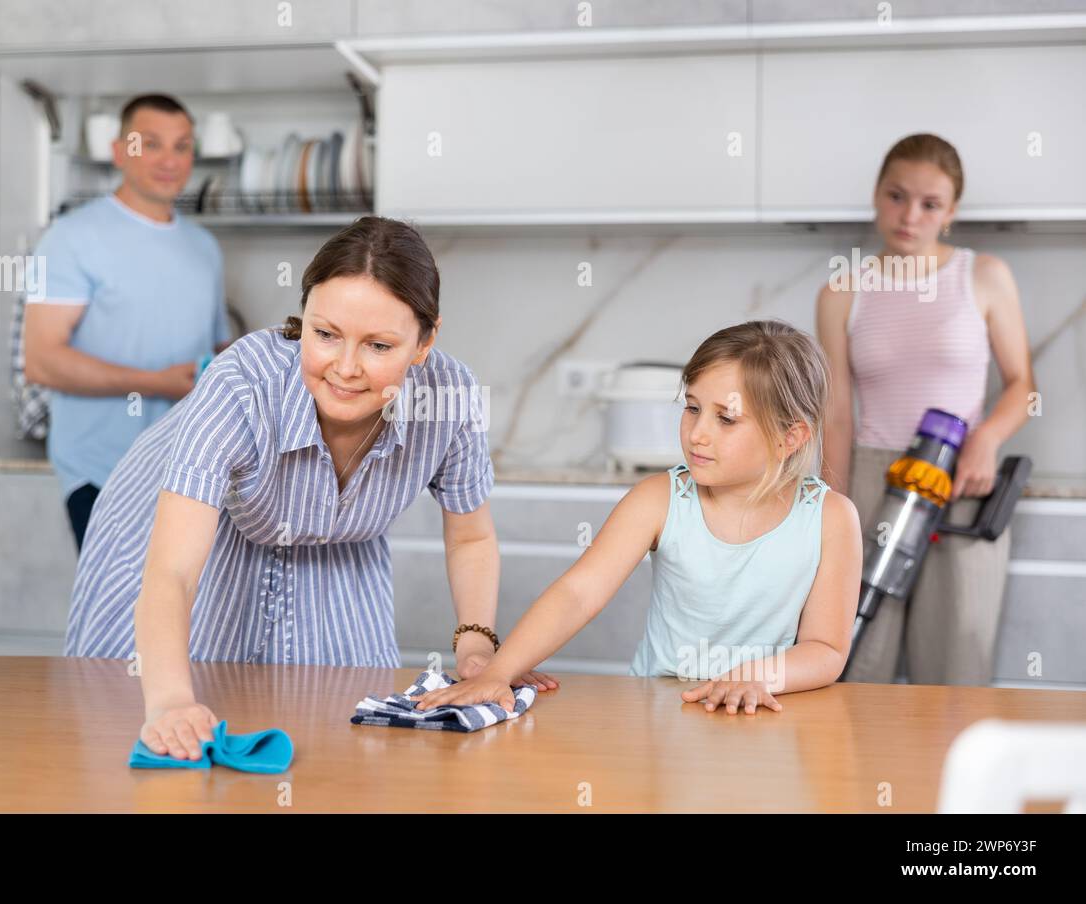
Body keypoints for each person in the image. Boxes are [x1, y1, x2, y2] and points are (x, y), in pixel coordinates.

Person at [65, 217, 557, 761]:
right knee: (167, 712)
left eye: (378, 345)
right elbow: (173, 573)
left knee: (342, 741)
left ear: (425, 341)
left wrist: (476, 649)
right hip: (188, 529)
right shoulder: (241, 385)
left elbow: (470, 539)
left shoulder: (449, 397)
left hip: (340, 545)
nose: (345, 369)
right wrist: (170, 702)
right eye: (325, 335)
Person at [417, 321, 861, 717]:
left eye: (725, 419)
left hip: (769, 712)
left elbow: (826, 649)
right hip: (662, 711)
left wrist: (759, 677)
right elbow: (579, 593)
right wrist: (499, 671)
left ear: (791, 437)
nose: (697, 433)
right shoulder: (660, 498)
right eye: (692, 408)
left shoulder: (830, 519)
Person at [816, 133, 1035, 685]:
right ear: (875, 195)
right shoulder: (844, 291)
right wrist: (829, 513)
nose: (909, 215)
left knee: (954, 671)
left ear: (951, 213)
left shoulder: (982, 276)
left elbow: (1022, 386)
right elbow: (836, 415)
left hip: (960, 482)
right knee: (858, 662)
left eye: (930, 204)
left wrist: (984, 440)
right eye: (896, 196)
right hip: (871, 481)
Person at [24, 93, 228, 551]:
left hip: (188, 475)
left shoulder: (205, 248)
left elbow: (216, 349)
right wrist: (156, 382)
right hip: (102, 475)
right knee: (122, 620)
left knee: (191, 620)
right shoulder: (71, 238)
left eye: (182, 146)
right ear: (119, 152)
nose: (169, 160)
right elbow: (42, 361)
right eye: (150, 144)